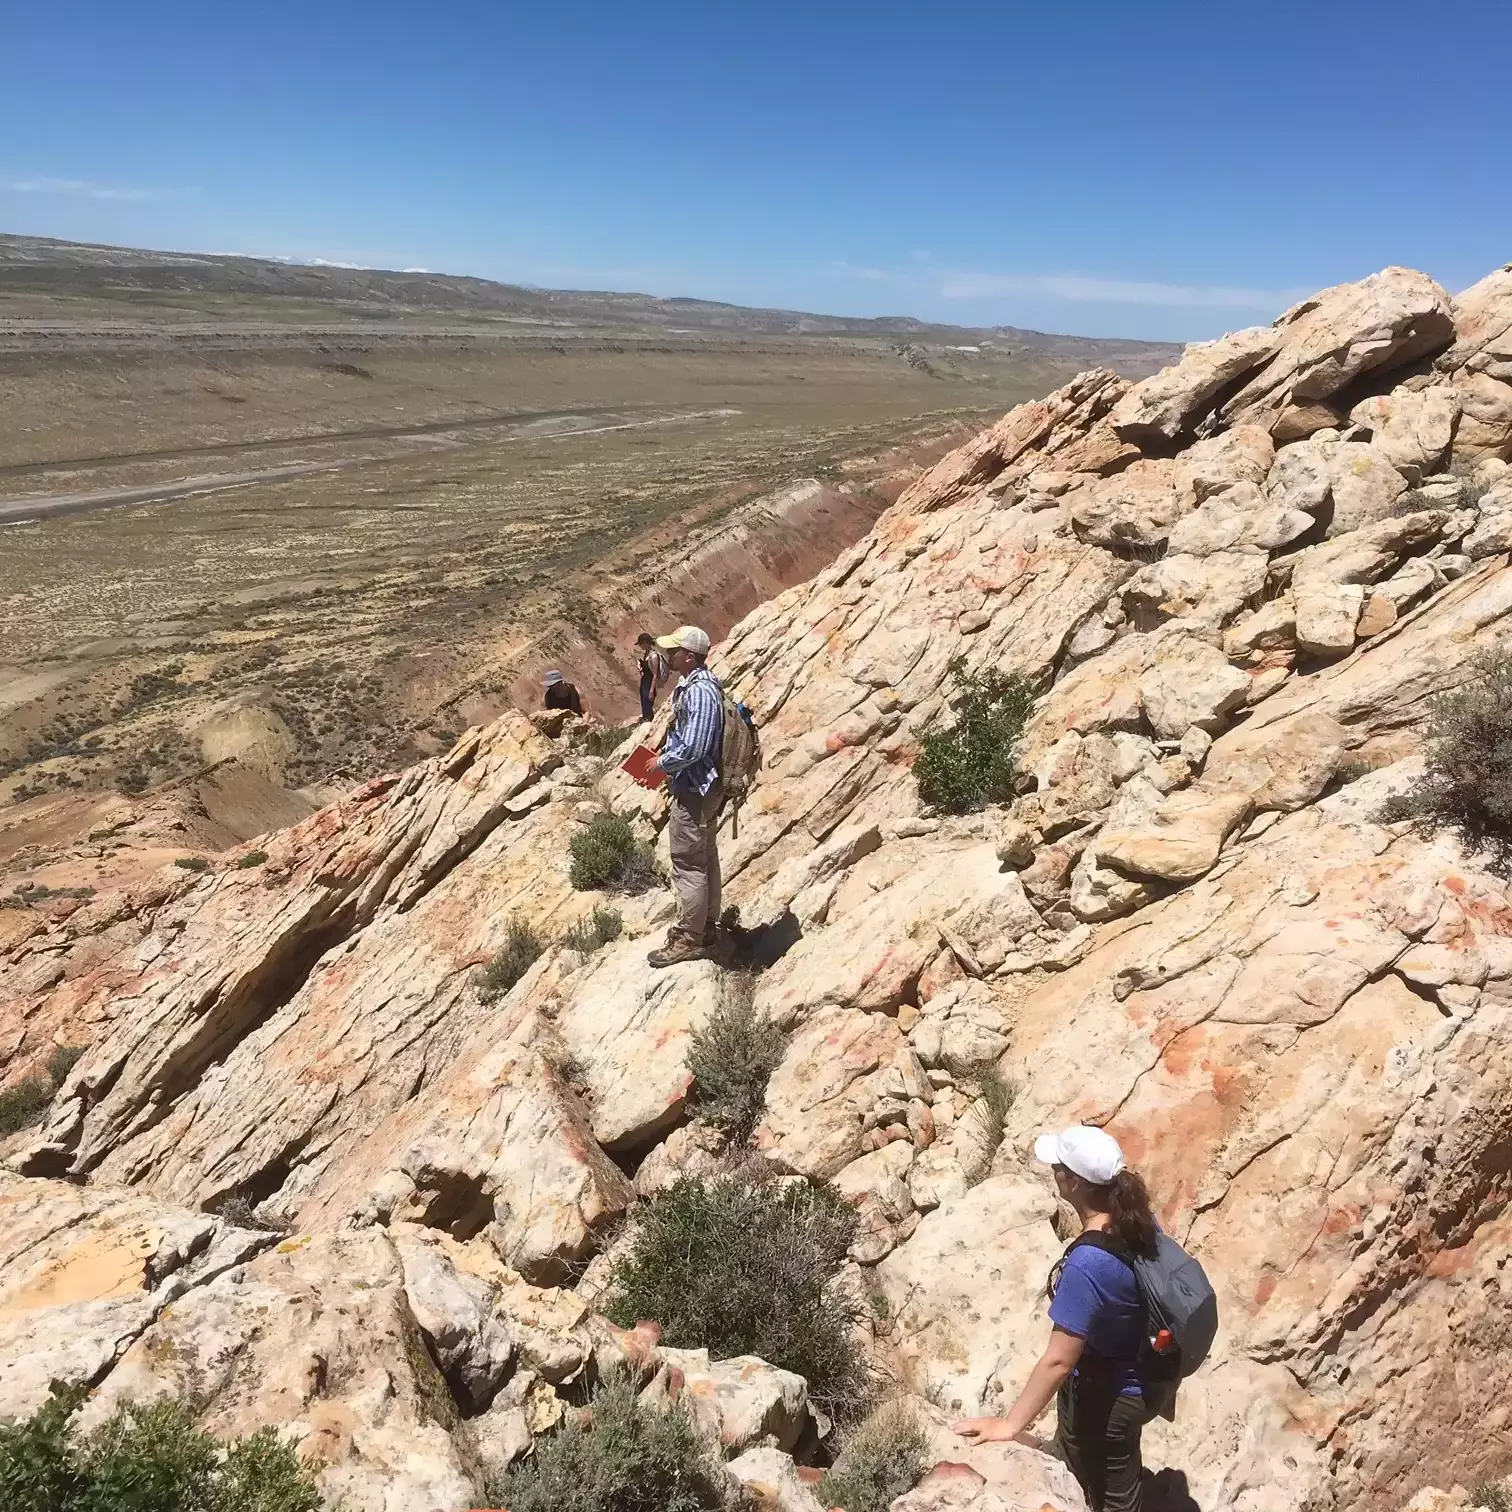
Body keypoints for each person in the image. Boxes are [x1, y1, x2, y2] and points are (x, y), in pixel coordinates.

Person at [953, 1125, 1160, 1512]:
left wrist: (1009, 1426)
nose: (1053, 1171)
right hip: (1141, 1379)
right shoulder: (1137, 1223)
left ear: (1076, 1183)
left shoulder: (1087, 1264)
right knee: (1118, 1473)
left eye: (1058, 1166)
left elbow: (1059, 1360)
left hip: (1107, 1398)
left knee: (1104, 1490)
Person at [645, 624, 723, 968]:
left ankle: (690, 938)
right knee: (703, 857)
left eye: (674, 651)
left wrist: (661, 762)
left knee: (689, 863)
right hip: (697, 786)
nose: (669, 656)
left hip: (696, 788)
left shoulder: (701, 691)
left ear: (689, 656)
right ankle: (705, 927)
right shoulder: (696, 686)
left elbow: (696, 746)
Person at [635, 632, 669, 723]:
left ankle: (648, 722)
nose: (640, 646)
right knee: (644, 702)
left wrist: (651, 690)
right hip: (645, 682)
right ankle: (646, 719)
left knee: (648, 705)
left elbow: (655, 674)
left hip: (650, 683)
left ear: (645, 643)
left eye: (641, 644)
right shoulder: (646, 654)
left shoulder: (653, 656)